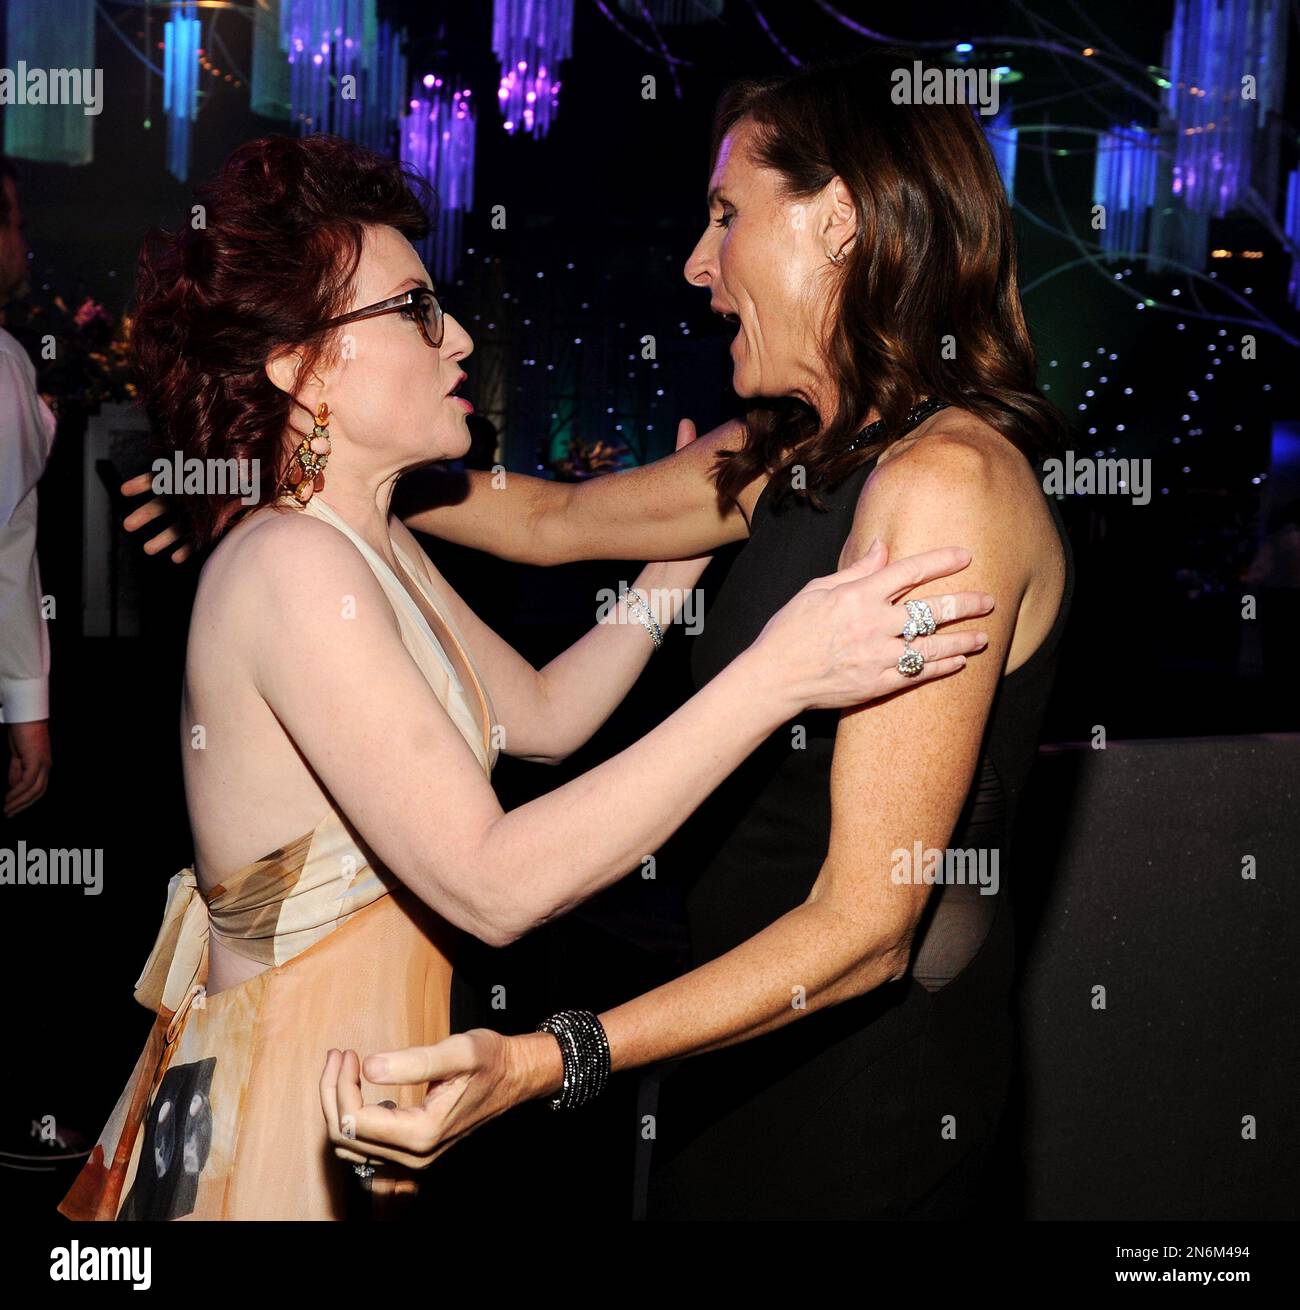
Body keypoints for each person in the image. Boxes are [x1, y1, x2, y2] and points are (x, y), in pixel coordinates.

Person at [61, 130, 988, 1220]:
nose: (455, 335)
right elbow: (494, 884)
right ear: (301, 364)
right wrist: (780, 674)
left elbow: (544, 717)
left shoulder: (368, 542)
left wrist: (677, 555)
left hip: (377, 1102)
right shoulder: (290, 563)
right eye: (412, 311)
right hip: (289, 1117)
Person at [317, 52, 1073, 1220]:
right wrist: (304, 469)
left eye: (726, 214)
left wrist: (544, 1055)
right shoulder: (789, 453)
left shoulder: (947, 485)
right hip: (733, 1059)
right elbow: (552, 518)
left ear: (839, 222)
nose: (697, 263)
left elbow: (866, 928)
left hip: (857, 1111)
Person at [0, 155, 56, 818]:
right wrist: (28, 709)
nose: (23, 243)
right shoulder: (5, 362)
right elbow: (9, 548)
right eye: (14, 223)